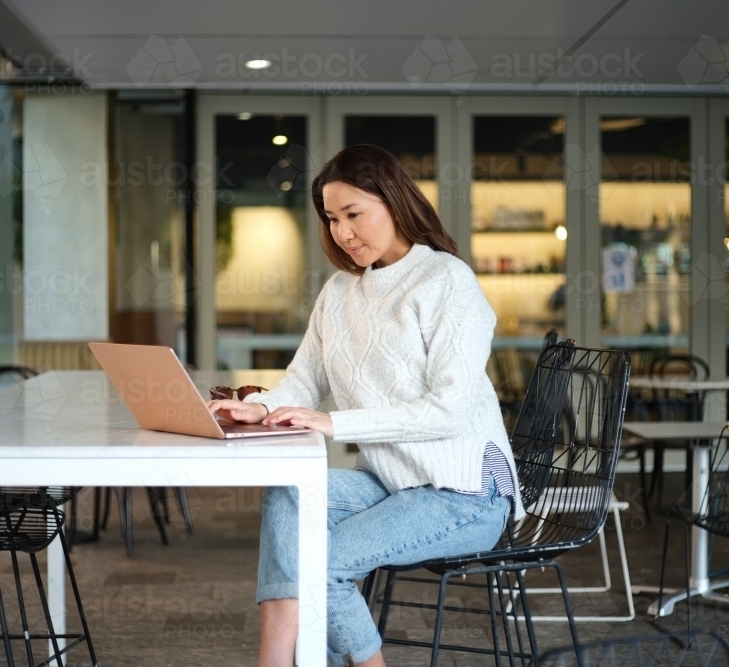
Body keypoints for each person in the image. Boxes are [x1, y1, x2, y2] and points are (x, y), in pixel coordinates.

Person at [208, 144, 525, 667]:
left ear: (395, 202)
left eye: (354, 214)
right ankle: (278, 657)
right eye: (332, 219)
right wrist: (261, 409)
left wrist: (332, 422)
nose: (342, 232)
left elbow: (448, 410)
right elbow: (303, 380)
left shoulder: (447, 282)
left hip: (465, 494)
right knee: (289, 492)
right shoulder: (339, 292)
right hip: (392, 481)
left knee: (323, 564)